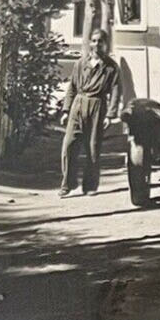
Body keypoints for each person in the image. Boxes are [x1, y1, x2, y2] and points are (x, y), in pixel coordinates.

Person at [60, 28, 122, 197]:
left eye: (100, 41)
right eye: (93, 41)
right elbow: (72, 88)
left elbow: (116, 91)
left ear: (105, 44)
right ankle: (68, 183)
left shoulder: (111, 67)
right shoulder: (80, 63)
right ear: (89, 43)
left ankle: (90, 186)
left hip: (97, 106)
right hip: (78, 105)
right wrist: (66, 110)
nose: (96, 45)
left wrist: (110, 115)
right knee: (69, 145)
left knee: (93, 148)